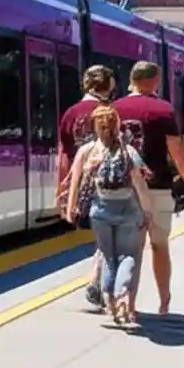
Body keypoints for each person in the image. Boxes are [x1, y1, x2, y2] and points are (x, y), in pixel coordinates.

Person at [112, 61, 184, 315]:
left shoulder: (114, 109)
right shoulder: (163, 110)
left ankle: (128, 303)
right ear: (156, 81)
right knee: (160, 246)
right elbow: (178, 154)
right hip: (157, 188)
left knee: (131, 249)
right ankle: (164, 303)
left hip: (124, 189)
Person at [64, 106, 149, 326]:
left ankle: (110, 301)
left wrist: (71, 208)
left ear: (95, 125)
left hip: (100, 211)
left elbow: (75, 182)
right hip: (128, 210)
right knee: (129, 255)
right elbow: (140, 185)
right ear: (117, 124)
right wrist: (147, 212)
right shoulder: (128, 151)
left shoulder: (88, 151)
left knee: (108, 257)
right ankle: (123, 296)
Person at [57, 65, 118, 310]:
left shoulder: (70, 113)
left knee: (102, 235)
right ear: (110, 86)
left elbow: (63, 154)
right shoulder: (109, 112)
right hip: (106, 183)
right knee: (110, 234)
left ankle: (97, 279)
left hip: (79, 183)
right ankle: (95, 280)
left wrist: (62, 188)